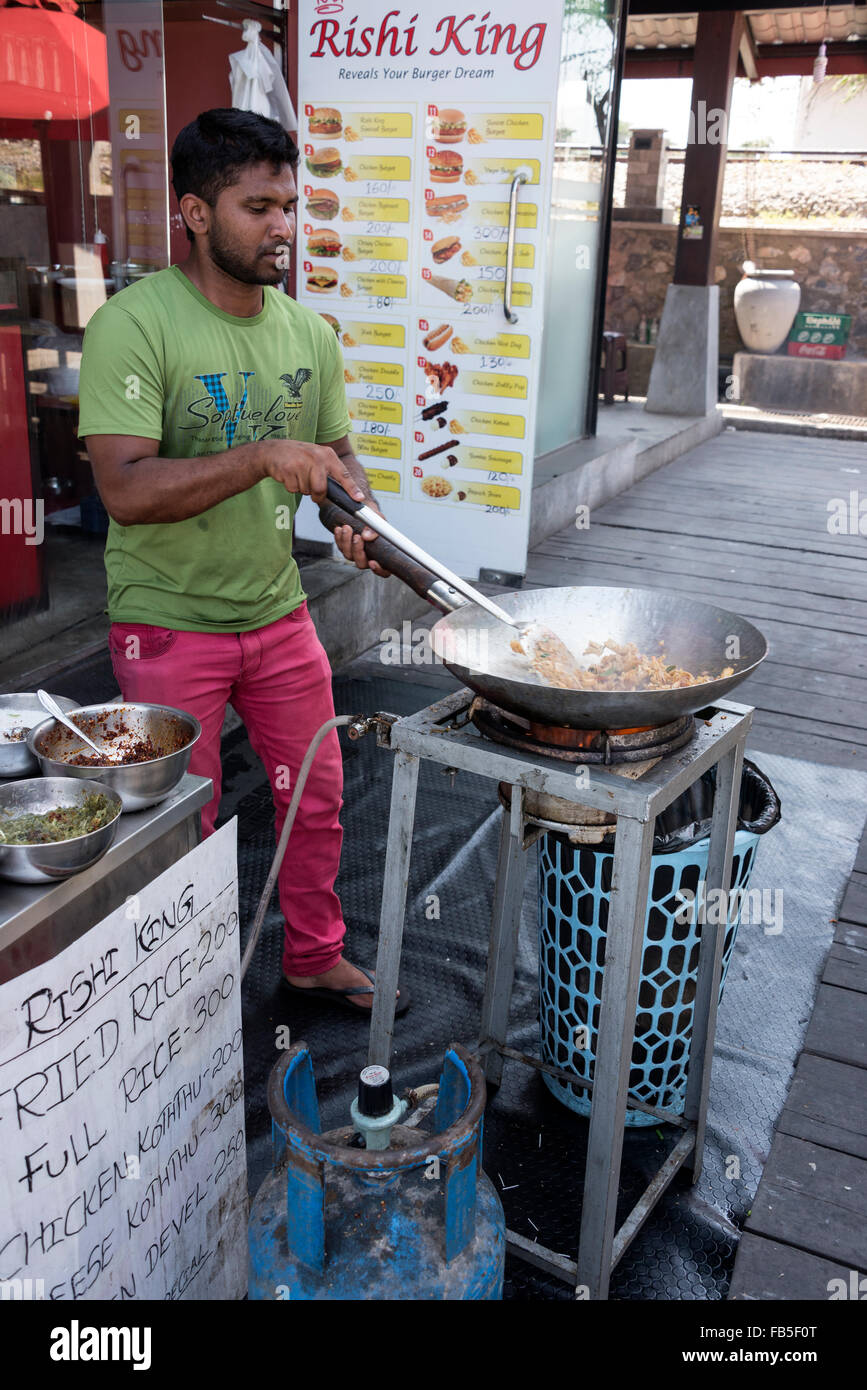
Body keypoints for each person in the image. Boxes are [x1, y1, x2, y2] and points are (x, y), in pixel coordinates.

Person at [78, 107, 406, 1015]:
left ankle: (312, 954)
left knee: (319, 793)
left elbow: (340, 460)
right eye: (259, 206)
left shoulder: (309, 335)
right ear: (193, 213)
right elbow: (127, 490)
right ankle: (181, 997)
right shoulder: (134, 325)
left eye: (291, 206)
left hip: (277, 613)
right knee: (181, 818)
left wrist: (360, 518)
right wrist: (264, 455)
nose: (283, 228)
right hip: (166, 619)